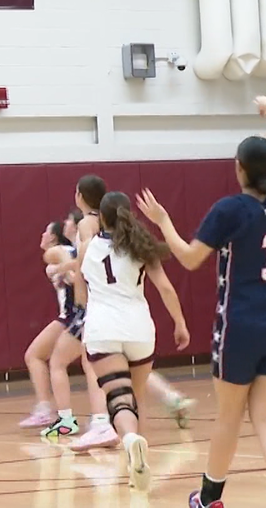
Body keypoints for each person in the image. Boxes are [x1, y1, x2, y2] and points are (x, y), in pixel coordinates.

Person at [137, 95, 266, 508]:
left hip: (240, 328)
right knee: (265, 417)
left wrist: (164, 223)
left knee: (229, 417)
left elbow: (190, 258)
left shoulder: (229, 209)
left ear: (239, 169)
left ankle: (210, 500)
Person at [70, 191, 190, 492]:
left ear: (103, 217)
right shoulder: (141, 247)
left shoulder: (86, 248)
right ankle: (137, 468)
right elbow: (165, 289)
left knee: (119, 400)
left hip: (104, 329)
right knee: (138, 398)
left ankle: (130, 440)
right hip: (139, 329)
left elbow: (80, 294)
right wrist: (180, 323)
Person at [41, 177, 115, 451]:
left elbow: (86, 259)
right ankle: (103, 420)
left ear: (81, 196)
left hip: (91, 303)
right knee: (93, 362)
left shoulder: (87, 223)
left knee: (62, 360)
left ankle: (75, 420)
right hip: (111, 299)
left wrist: (64, 271)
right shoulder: (108, 219)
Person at [19, 212, 82, 428]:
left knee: (36, 356)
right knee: (115, 364)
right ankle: (170, 397)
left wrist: (66, 270)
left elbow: (74, 271)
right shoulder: (71, 250)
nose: (42, 234)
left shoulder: (57, 252)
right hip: (77, 315)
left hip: (75, 316)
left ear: (54, 237)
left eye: (46, 231)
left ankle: (51, 411)